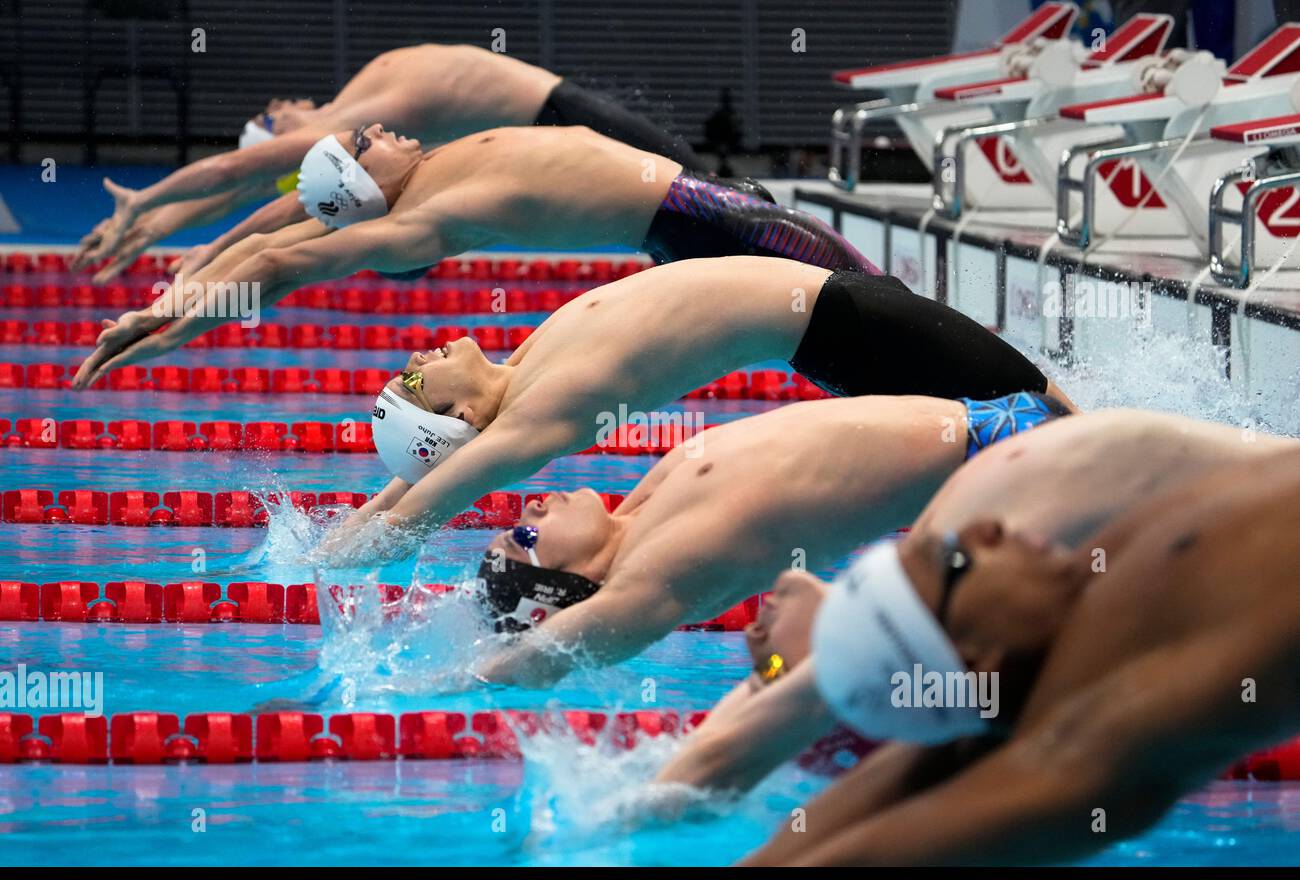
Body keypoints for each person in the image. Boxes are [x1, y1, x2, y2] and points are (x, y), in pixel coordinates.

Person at [655, 409, 1297, 794]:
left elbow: (750, 725)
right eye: (771, 669)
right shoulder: (948, 568)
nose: (751, 642)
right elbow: (750, 736)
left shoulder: (940, 569)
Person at [302, 257, 1064, 566]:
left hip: (840, 312)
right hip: (854, 329)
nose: (415, 360)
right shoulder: (547, 407)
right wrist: (330, 567)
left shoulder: (524, 366)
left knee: (1034, 441)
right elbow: (434, 496)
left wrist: (337, 531)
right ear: (462, 414)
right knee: (1053, 427)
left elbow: (415, 480)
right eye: (414, 383)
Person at [742, 444, 1300, 865]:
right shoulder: (1103, 731)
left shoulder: (1080, 586)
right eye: (957, 559)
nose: (984, 527)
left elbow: (923, 759)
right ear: (977, 656)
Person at [70, 125, 882, 388]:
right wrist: (164, 320)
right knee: (872, 310)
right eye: (366, 143)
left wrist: (187, 272)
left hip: (695, 215)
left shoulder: (419, 172)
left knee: (858, 326)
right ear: (365, 182)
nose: (382, 131)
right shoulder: (426, 215)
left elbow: (279, 227)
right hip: (711, 220)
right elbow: (281, 265)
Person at [468, 389, 1072, 686]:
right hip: (1017, 465)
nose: (532, 504)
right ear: (562, 589)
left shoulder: (641, 509)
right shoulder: (661, 568)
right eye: (525, 532)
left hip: (1000, 418)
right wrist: (453, 685)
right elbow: (547, 652)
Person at [71, 43, 703, 280]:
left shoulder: (357, 113)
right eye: (266, 122)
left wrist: (155, 221)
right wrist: (156, 213)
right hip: (556, 123)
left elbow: (242, 186)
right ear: (277, 137)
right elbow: (234, 176)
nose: (275, 106)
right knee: (688, 192)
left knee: (690, 194)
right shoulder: (335, 132)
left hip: (554, 122)